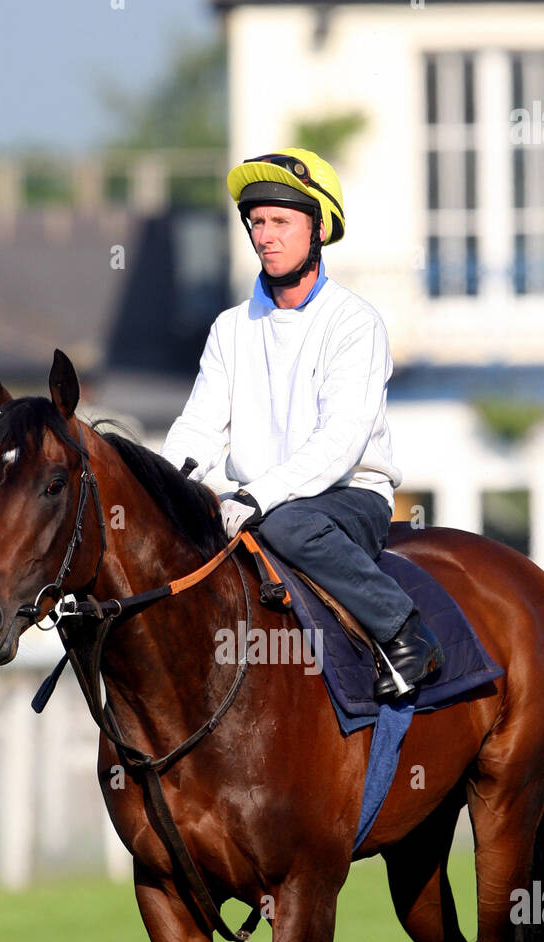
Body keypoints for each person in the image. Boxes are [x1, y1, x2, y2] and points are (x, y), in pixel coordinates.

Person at [160, 147, 443, 698]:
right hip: (252, 503)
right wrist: (162, 489)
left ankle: (406, 633)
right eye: (257, 222)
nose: (265, 235)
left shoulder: (355, 322)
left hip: (346, 499)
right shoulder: (228, 328)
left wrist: (260, 497)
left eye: (281, 222)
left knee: (285, 525)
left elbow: (339, 443)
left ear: (318, 229)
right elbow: (196, 430)